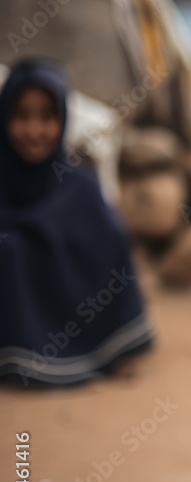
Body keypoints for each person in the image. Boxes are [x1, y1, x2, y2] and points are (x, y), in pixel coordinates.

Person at [0, 59, 152, 385]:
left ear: (63, 119)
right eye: (22, 116)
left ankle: (104, 347)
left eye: (46, 117)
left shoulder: (78, 184)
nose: (34, 131)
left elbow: (110, 243)